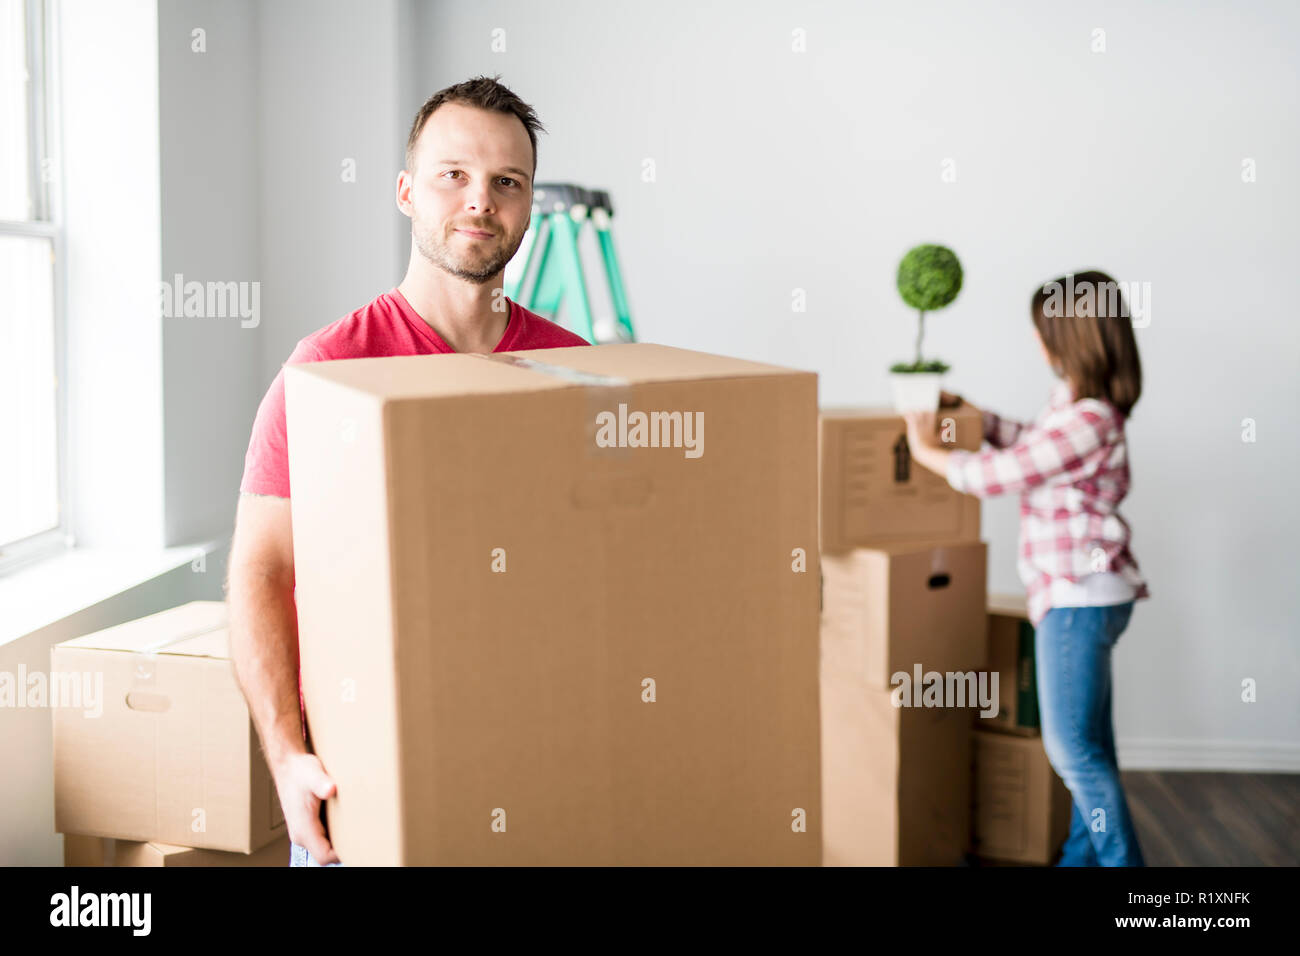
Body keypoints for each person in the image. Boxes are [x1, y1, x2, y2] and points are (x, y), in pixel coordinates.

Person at [225, 76, 590, 867]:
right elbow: (261, 568)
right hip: (370, 780)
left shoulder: (575, 368)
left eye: (507, 183)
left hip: (535, 761)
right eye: (452, 175)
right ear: (405, 192)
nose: (480, 201)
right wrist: (287, 757)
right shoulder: (328, 369)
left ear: (529, 206)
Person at [903, 270, 1150, 867]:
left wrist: (927, 453)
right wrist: (982, 419)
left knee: (1073, 755)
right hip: (1083, 596)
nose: (1037, 343)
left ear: (1070, 338)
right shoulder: (1074, 408)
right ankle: (1079, 862)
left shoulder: (1091, 418)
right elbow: (1031, 445)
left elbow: (1003, 474)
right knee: (1092, 750)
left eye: (1043, 332)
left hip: (1078, 598)